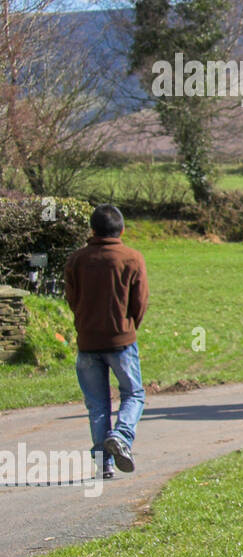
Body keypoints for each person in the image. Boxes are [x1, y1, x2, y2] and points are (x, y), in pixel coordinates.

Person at [64, 205, 148, 478]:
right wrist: (130, 324)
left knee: (98, 404)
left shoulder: (76, 259)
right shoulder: (132, 258)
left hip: (87, 341)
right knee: (133, 394)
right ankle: (122, 436)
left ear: (92, 230)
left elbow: (72, 299)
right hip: (121, 341)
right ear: (121, 229)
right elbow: (140, 302)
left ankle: (103, 464)